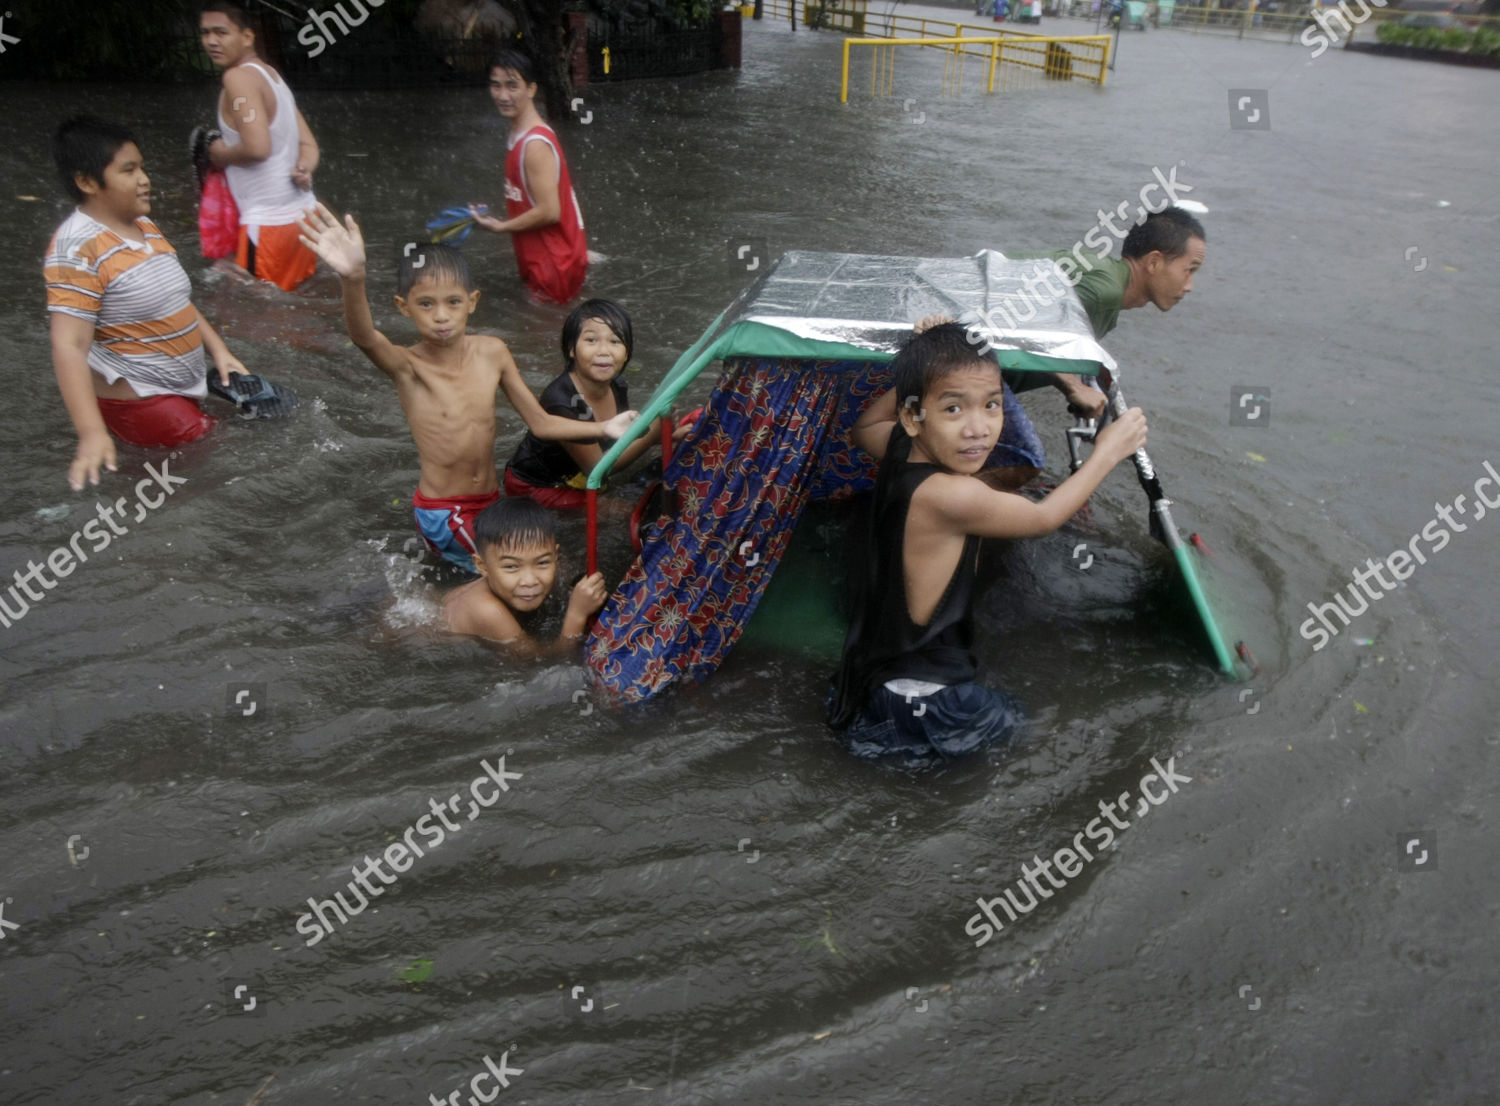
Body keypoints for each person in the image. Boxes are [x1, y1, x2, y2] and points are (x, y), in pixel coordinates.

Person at [827, 323, 1148, 759]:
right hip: (926, 698)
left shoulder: (901, 446)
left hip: (870, 674)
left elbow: (867, 424)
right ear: (913, 417)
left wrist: (921, 372)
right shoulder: (952, 494)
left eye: (992, 405)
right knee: (1037, 741)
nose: (978, 428)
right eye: (954, 409)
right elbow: (1044, 517)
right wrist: (1107, 452)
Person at [295, 203, 637, 572]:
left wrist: (603, 428)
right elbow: (365, 337)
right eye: (426, 304)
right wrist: (353, 278)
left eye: (453, 302)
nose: (441, 316)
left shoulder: (493, 352)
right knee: (520, 573)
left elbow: (540, 423)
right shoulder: (408, 367)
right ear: (403, 307)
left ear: (472, 302)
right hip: (445, 510)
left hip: (489, 500)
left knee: (555, 564)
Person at [45, 115, 247, 490]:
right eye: (129, 170)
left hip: (177, 388)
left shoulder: (143, 225)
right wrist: (89, 432)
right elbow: (68, 344)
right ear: (87, 181)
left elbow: (174, 299)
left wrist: (219, 350)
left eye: (142, 167)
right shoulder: (76, 249)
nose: (144, 179)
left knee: (208, 462)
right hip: (140, 400)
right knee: (218, 470)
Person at [1007, 206, 1206, 419]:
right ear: (1154, 262)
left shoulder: (1104, 276)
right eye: (1189, 270)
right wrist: (1073, 386)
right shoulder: (1103, 294)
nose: (1189, 286)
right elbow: (1022, 327)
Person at [505, 299, 689, 508]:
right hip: (539, 485)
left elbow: (620, 436)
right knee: (625, 512)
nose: (604, 351)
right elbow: (596, 468)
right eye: (591, 340)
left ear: (627, 352)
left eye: (615, 341)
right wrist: (650, 438)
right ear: (571, 348)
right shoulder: (563, 401)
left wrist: (664, 436)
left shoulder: (617, 385)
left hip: (578, 474)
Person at [199, 1, 321, 291]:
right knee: (298, 307)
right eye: (205, 33)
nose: (211, 41)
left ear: (248, 37)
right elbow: (309, 145)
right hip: (305, 217)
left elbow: (257, 148)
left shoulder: (236, 78)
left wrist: (219, 154)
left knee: (255, 317)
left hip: (268, 226)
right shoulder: (273, 77)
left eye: (221, 32)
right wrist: (303, 167)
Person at [467, 49, 588, 304]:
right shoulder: (519, 135)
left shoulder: (534, 145)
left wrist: (501, 227)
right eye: (496, 85)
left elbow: (550, 211)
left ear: (531, 89)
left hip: (554, 265)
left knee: (540, 338)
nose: (502, 95)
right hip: (544, 259)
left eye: (512, 85)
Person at [444, 497, 608, 652]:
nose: (530, 581)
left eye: (542, 563)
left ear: (555, 557)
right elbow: (541, 660)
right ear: (482, 566)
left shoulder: (546, 568)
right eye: (511, 566)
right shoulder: (487, 612)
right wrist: (577, 613)